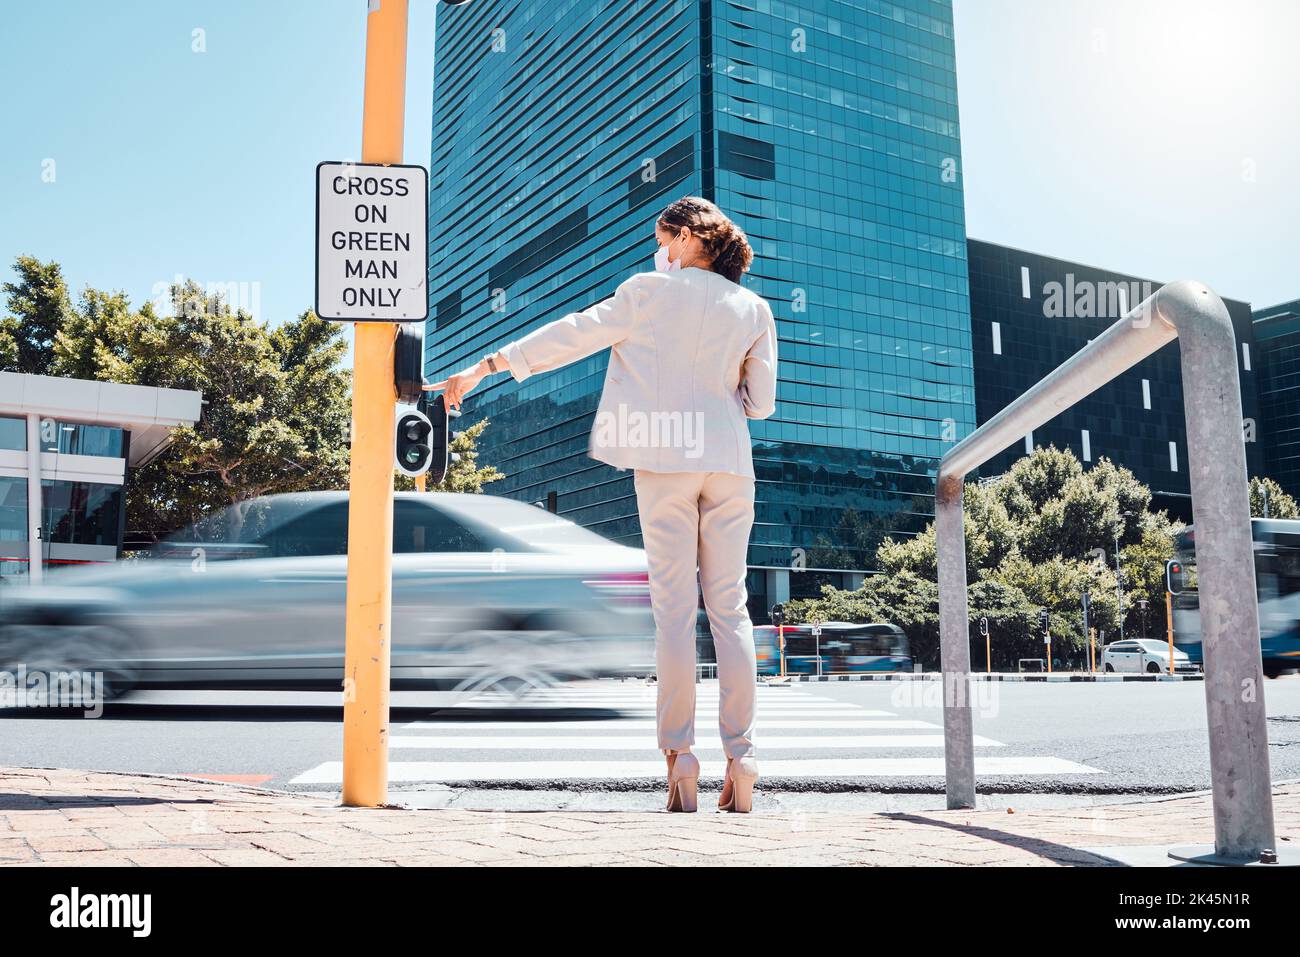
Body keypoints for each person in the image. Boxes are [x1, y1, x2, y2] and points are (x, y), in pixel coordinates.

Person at [425, 196, 778, 813]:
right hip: (729, 462)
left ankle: (681, 760)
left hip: (663, 460)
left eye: (661, 239)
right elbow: (762, 403)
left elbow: (573, 334)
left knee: (674, 612)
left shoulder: (645, 293)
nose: (655, 251)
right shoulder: (753, 306)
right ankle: (742, 758)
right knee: (732, 610)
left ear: (688, 236)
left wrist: (486, 366)